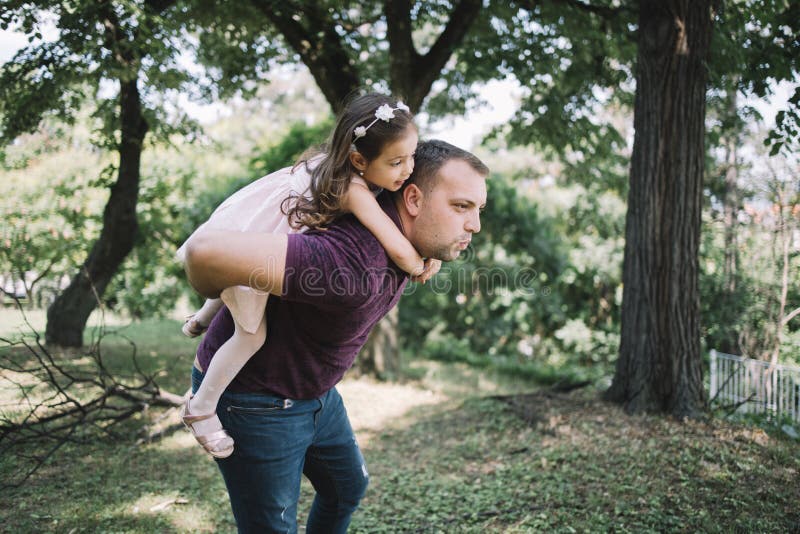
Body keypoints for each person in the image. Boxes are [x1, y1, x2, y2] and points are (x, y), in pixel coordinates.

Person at [183, 138, 489, 533]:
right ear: (412, 200)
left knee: (347, 487)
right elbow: (202, 252)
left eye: (477, 209)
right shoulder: (347, 264)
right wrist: (213, 298)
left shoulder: (400, 230)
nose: (475, 225)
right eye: (461, 206)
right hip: (256, 401)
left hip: (317, 394)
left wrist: (425, 251)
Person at [177, 93, 441, 458]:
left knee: (243, 281)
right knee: (251, 334)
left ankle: (201, 319)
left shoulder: (336, 166)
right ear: (359, 160)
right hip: (265, 242)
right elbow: (393, 243)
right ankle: (201, 407)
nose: (408, 169)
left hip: (259, 232)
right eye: (396, 162)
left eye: (412, 156)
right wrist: (420, 264)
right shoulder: (353, 188)